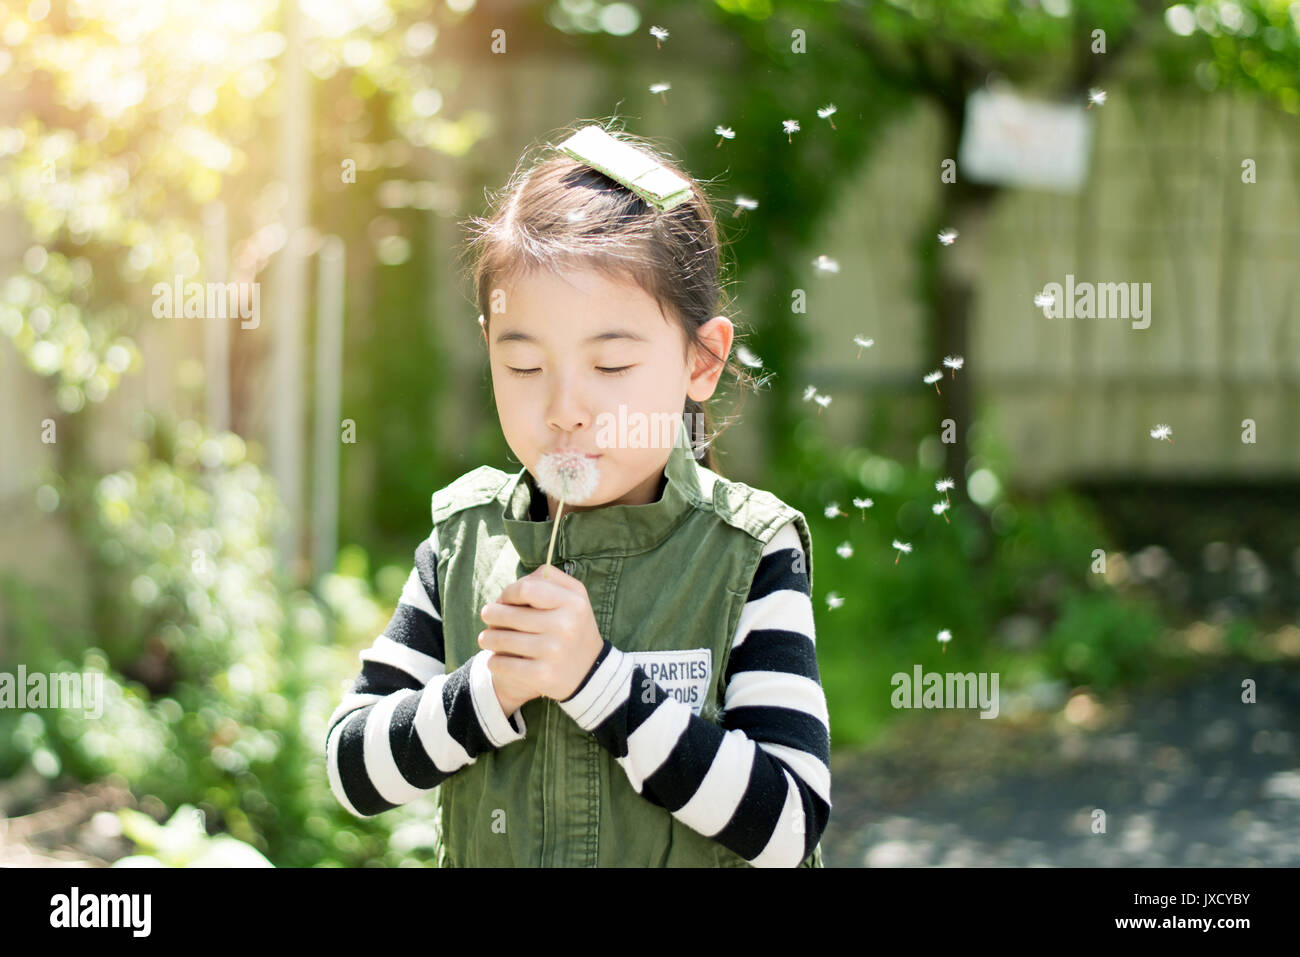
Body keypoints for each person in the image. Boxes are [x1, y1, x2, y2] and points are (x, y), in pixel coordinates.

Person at [325, 121, 830, 867]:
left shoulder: (749, 555)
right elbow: (352, 771)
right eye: (525, 368)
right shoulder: (464, 545)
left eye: (612, 366)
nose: (565, 408)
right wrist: (489, 689)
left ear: (703, 360)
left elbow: (788, 823)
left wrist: (600, 684)